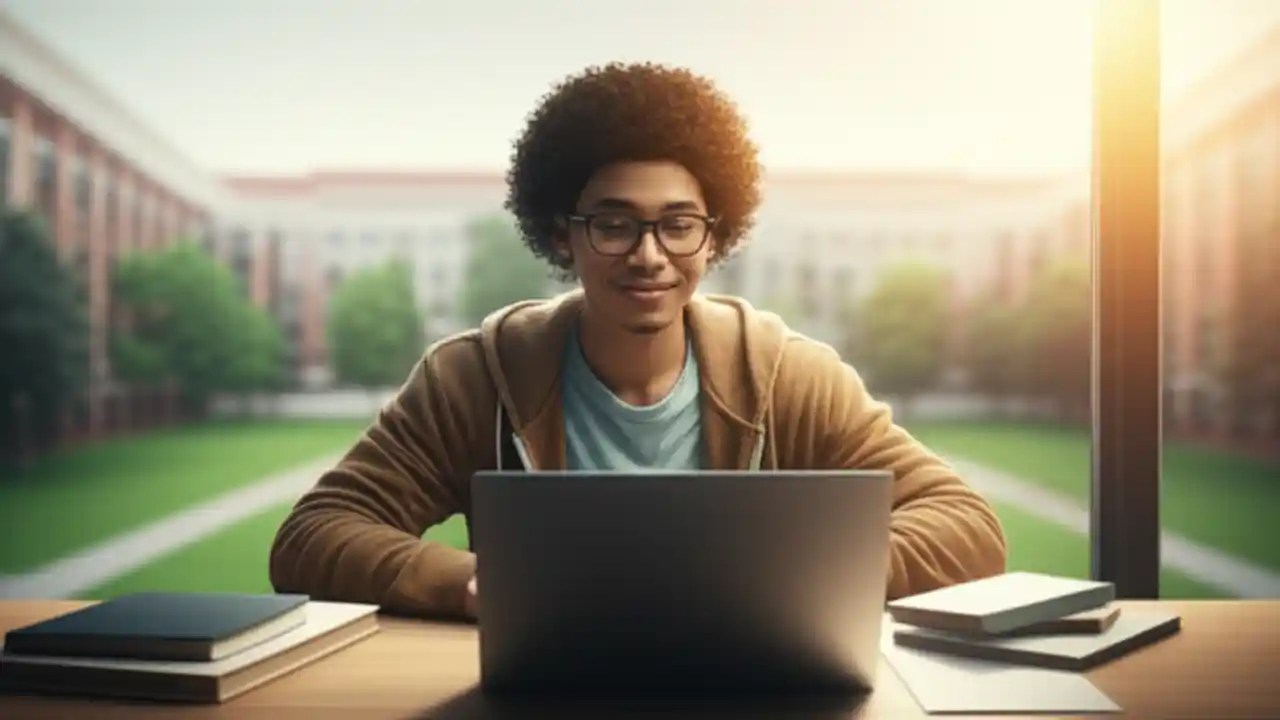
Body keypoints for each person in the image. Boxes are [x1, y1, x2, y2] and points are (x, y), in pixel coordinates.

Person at [268, 61, 1006, 621]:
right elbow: (312, 536)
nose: (649, 256)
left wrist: (790, 577)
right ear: (563, 234)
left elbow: (967, 526)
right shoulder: (472, 377)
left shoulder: (790, 375)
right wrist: (473, 582)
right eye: (614, 224)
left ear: (713, 236)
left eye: (678, 224)